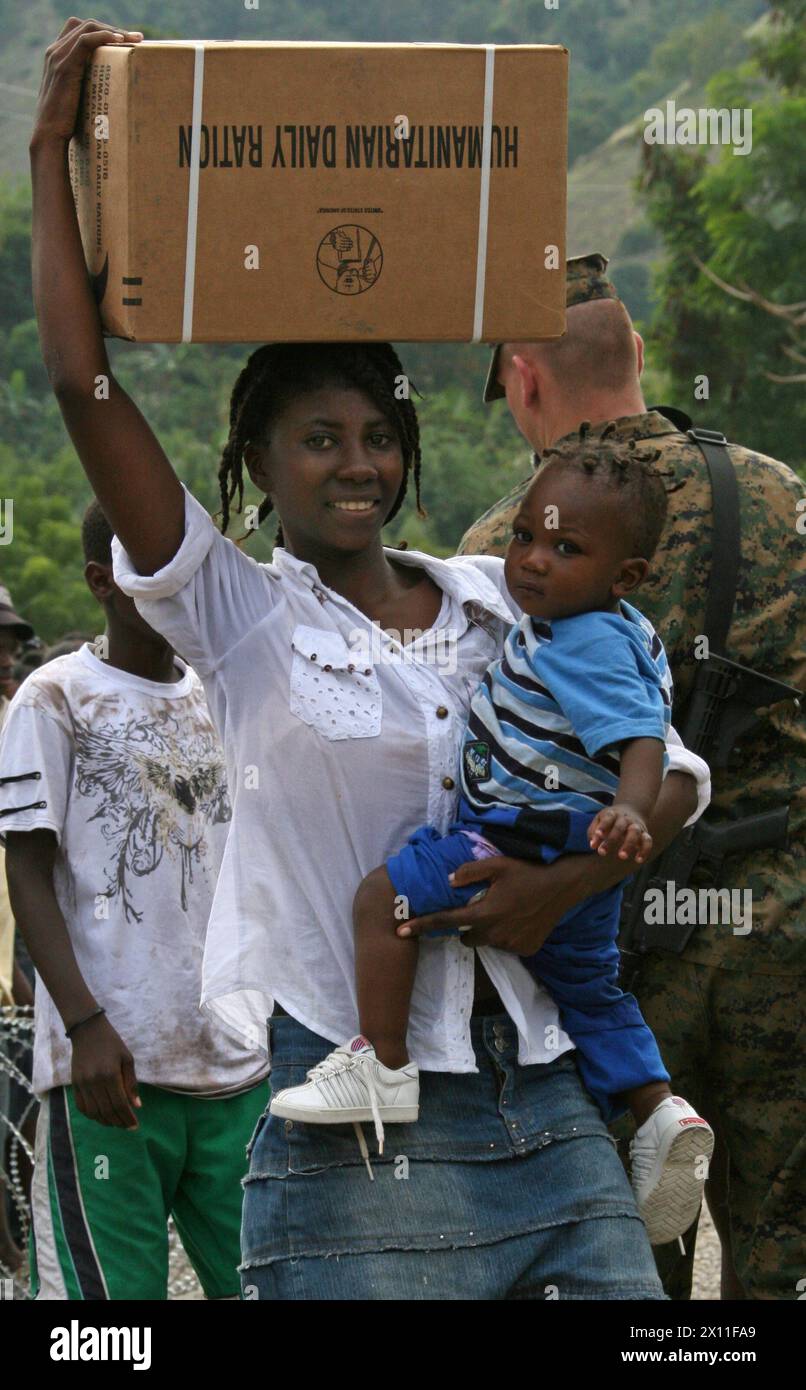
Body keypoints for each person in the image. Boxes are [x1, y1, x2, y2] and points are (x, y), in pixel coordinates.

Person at [28, 20, 710, 1301]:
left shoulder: (500, 597)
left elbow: (667, 773)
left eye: (377, 436)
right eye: (317, 439)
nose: (357, 465)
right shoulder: (238, 620)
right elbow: (83, 385)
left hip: (547, 1086)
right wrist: (52, 149)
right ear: (257, 463)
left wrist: (554, 895)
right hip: (362, 1112)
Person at [460, 252, 806, 1301]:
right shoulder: (781, 497)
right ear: (638, 352)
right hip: (776, 933)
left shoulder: (501, 550)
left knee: (613, 1264)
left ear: (522, 377)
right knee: (782, 1252)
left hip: (601, 961)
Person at [270, 435, 714, 1246]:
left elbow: (645, 741)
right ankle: (657, 1110)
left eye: (565, 548)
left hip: (521, 836)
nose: (533, 562)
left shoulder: (586, 642)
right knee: (590, 987)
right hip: (572, 855)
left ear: (626, 578)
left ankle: (384, 1065)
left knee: (386, 898)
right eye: (524, 537)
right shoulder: (586, 622)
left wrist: (630, 813)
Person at [0, 500, 270, 1299]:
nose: (175, 585)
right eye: (150, 567)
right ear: (103, 583)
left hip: (234, 1065)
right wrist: (85, 1026)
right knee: (110, 1321)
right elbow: (27, 871)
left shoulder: (223, 694)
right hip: (110, 1075)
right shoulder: (55, 699)